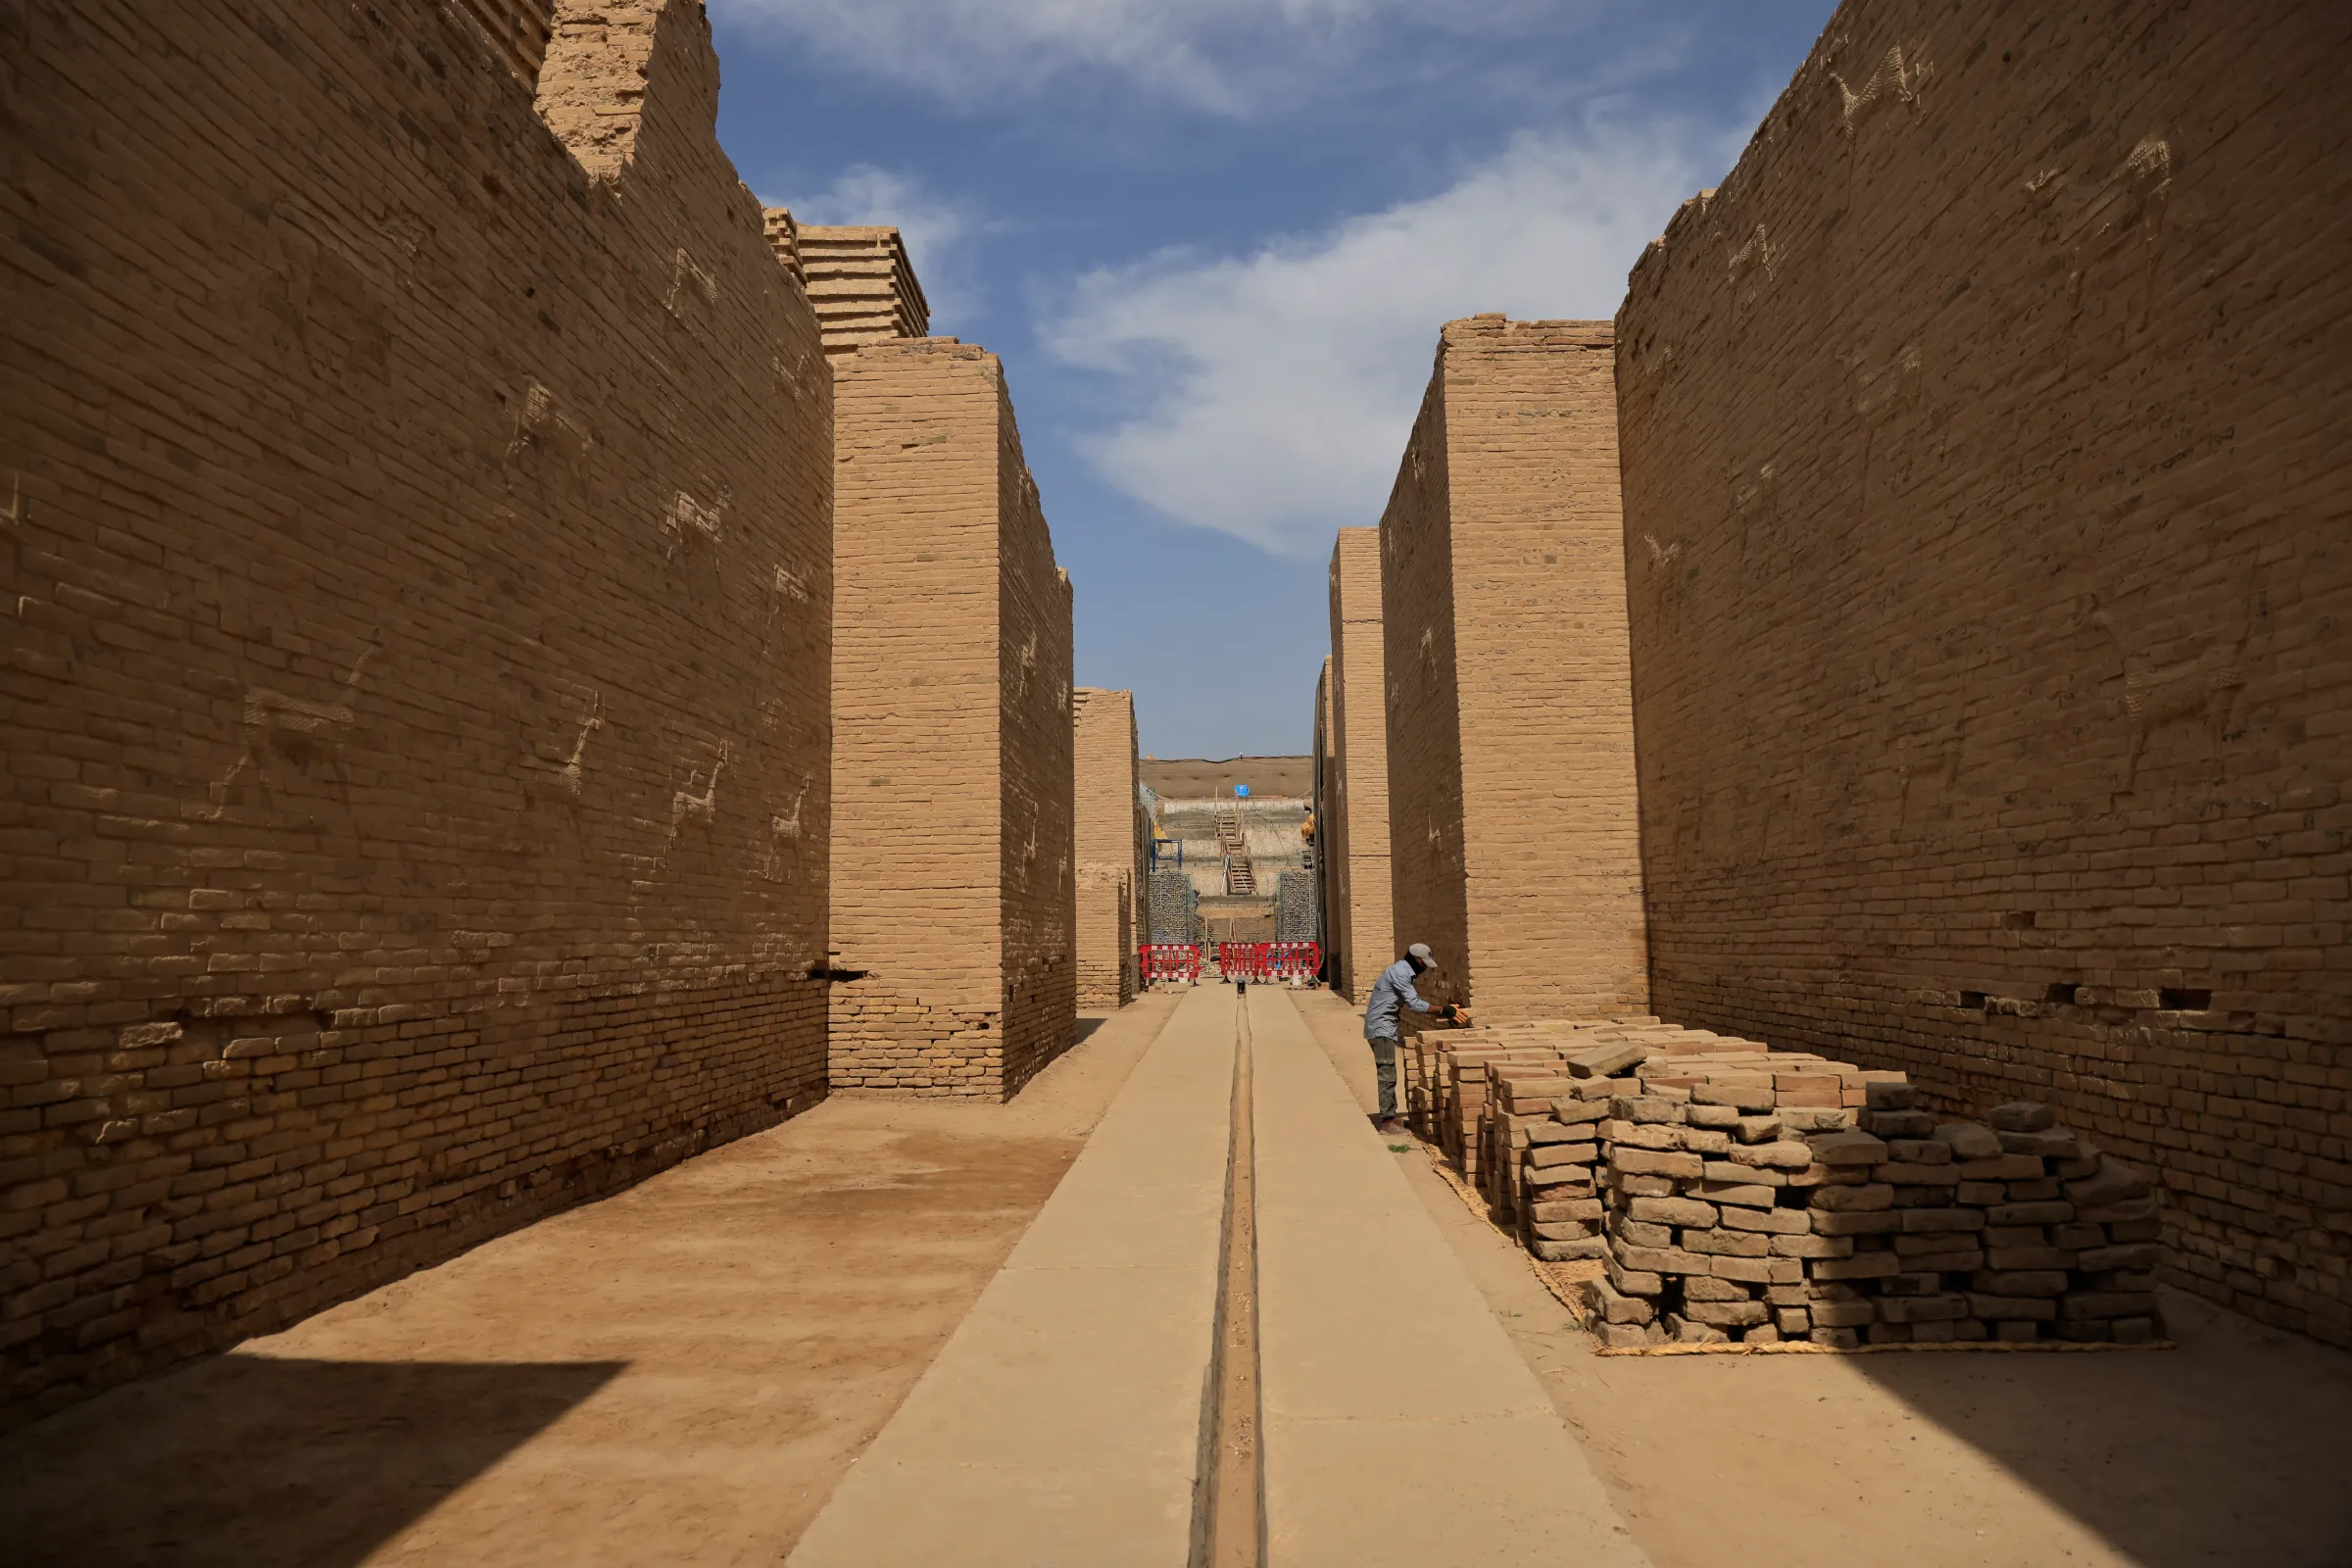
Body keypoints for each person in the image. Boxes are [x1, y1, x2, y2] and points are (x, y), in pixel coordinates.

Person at [1362, 942, 1466, 1135]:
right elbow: (1415, 1004)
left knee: (1389, 1071)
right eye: (1424, 963)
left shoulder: (1404, 972)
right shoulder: (1400, 973)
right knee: (1387, 1074)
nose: (1425, 968)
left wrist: (1444, 1011)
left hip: (1386, 1027)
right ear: (1416, 959)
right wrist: (1444, 1010)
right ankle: (1387, 1121)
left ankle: (1391, 1117)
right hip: (1381, 1028)